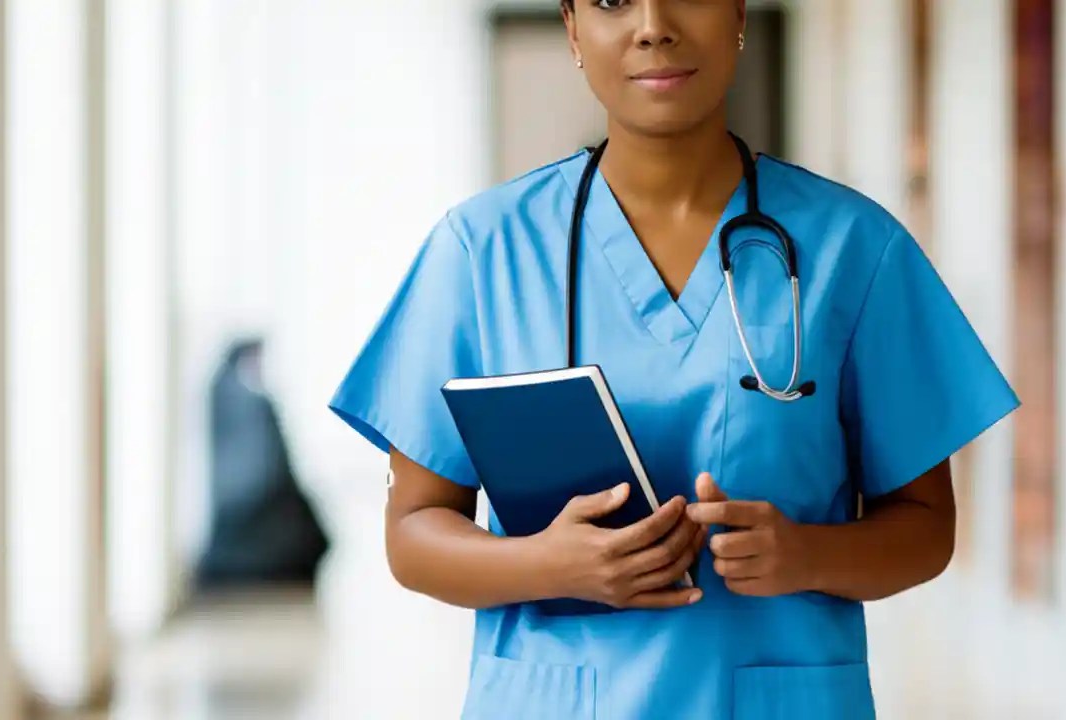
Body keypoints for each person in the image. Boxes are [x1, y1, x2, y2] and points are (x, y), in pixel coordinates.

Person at [328, 0, 1019, 717]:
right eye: (610, 1)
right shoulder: (482, 253)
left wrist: (807, 555)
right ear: (571, 27)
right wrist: (546, 564)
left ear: (740, 12)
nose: (653, 24)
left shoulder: (853, 250)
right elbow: (413, 534)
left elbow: (926, 527)